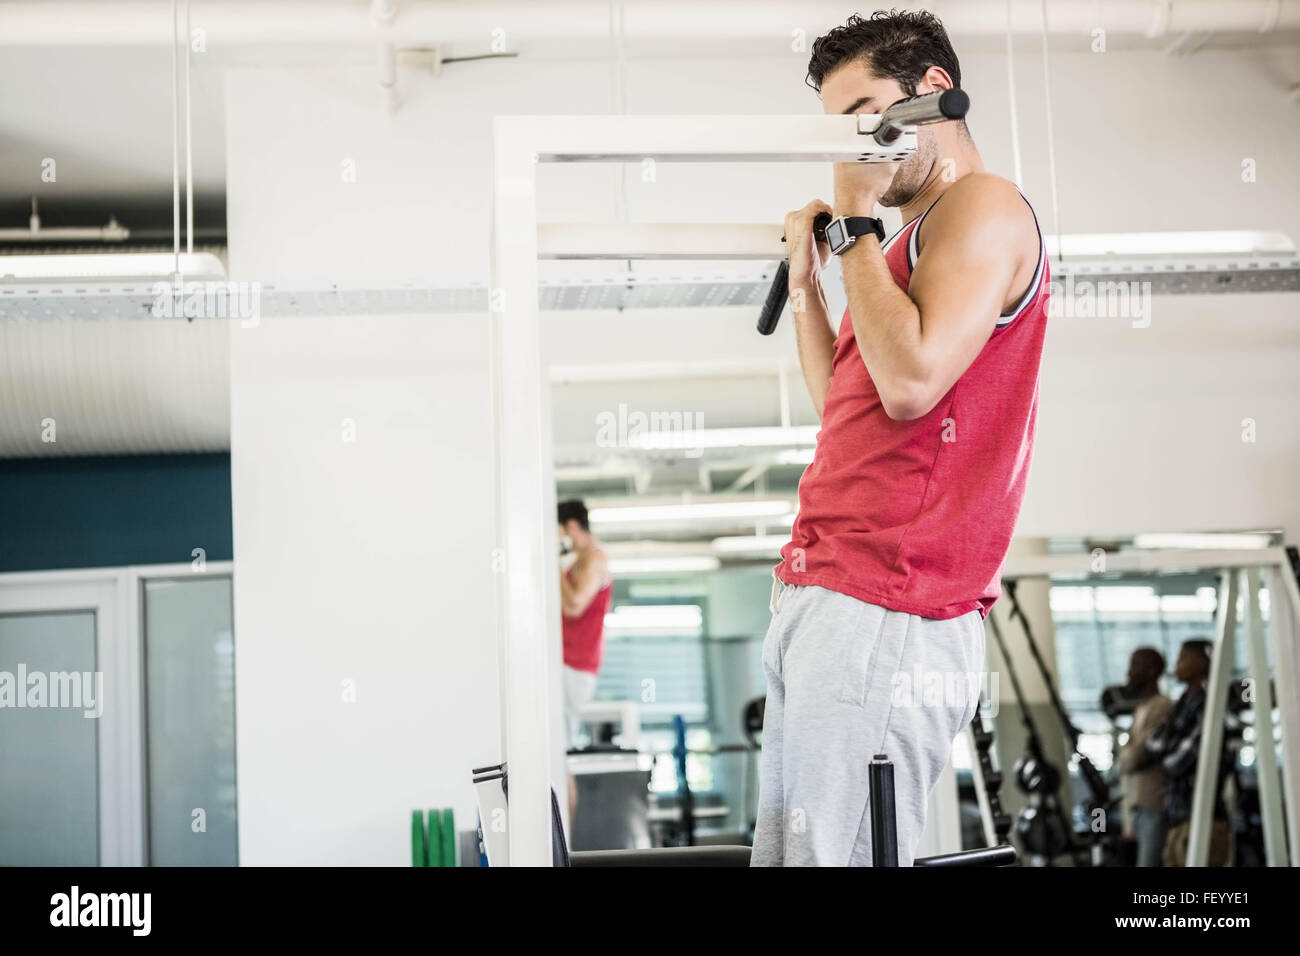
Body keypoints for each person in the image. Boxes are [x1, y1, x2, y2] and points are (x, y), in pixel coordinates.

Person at [754, 10, 1049, 866]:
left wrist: (852, 225)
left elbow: (913, 384)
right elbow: (849, 409)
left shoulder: (981, 208)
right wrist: (810, 285)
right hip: (829, 593)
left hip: (888, 602)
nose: (859, 146)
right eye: (842, 127)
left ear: (932, 94)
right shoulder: (891, 255)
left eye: (871, 115)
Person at [1145, 639, 1232, 866]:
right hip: (1177, 817)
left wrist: (1168, 745)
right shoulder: (1181, 704)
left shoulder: (1208, 706)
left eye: (1183, 658)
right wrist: (1170, 745)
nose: (1177, 664)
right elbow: (1153, 744)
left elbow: (1176, 761)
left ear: (1201, 663)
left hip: (1204, 818)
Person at [557, 499, 613, 750]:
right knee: (557, 747)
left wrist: (554, 565)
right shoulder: (579, 561)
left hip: (576, 664)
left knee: (561, 751)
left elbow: (574, 606)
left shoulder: (594, 560)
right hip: (566, 659)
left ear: (571, 527)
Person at [1115, 648, 1172, 866]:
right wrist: (1129, 755)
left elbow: (1139, 756)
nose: (1129, 673)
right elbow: (1126, 758)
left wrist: (1129, 755)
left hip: (1157, 805)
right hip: (1140, 807)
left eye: (1134, 666)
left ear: (1152, 671)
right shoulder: (1142, 709)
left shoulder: (1162, 706)